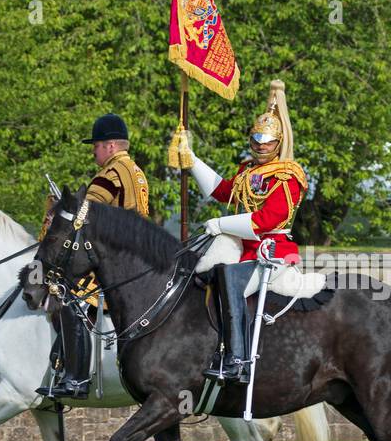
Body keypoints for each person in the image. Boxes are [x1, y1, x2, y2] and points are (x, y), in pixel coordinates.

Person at [175, 80, 308, 383]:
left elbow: (265, 220)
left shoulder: (288, 176)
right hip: (245, 249)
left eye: (268, 140)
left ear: (278, 142)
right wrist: (191, 159)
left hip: (270, 251)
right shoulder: (247, 171)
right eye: (257, 138)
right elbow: (223, 192)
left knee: (230, 280)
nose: (261, 144)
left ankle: (237, 359)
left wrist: (220, 224)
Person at [37, 113, 149, 400]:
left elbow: (83, 217)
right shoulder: (135, 171)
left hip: (117, 258)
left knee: (69, 297)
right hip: (136, 252)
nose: (93, 151)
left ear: (110, 146)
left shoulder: (109, 175)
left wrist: (57, 210)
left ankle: (76, 377)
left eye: (96, 145)